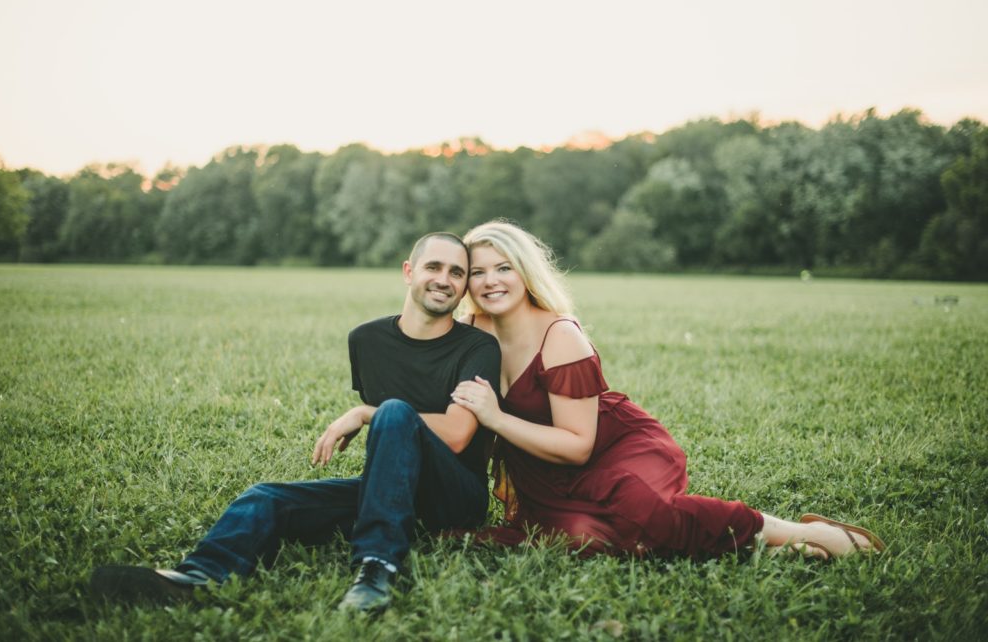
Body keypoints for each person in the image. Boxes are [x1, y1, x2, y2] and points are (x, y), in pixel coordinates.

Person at [91, 232, 502, 614]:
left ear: (465, 286)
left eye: (457, 273)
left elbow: (457, 434)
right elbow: (392, 449)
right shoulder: (367, 340)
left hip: (455, 500)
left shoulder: (478, 346)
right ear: (409, 271)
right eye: (434, 267)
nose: (444, 279)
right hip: (392, 493)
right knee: (267, 497)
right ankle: (197, 576)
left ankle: (376, 567)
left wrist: (365, 413)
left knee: (393, 411)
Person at [449, 220, 885, 560]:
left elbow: (579, 446)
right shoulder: (470, 331)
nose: (491, 282)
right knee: (588, 541)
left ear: (525, 272)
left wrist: (497, 418)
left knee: (643, 517)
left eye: (503, 268)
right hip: (543, 473)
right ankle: (771, 552)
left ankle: (804, 532)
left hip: (612, 449)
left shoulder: (560, 336)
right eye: (479, 272)